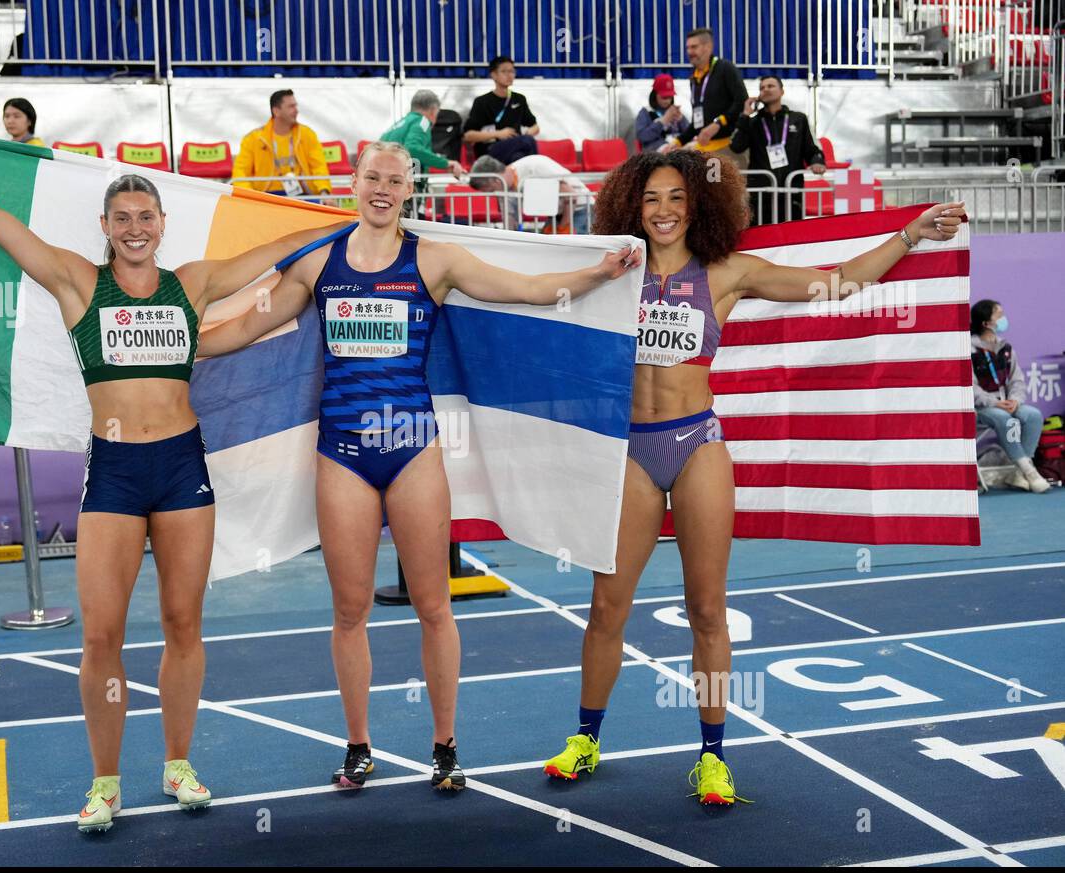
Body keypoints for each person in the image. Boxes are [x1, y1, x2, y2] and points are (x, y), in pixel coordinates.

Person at [0, 113, 339, 832]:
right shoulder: (77, 283)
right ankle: (105, 782)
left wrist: (350, 216)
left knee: (183, 624)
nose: (135, 227)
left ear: (163, 223)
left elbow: (279, 246)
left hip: (181, 470)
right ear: (106, 226)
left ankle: (178, 764)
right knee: (101, 637)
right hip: (112, 473)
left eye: (146, 216)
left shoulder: (193, 284)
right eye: (122, 218)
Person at [539, 149, 965, 805]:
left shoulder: (727, 272)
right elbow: (528, 293)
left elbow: (837, 282)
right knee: (605, 607)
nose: (664, 210)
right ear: (631, 205)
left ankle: (712, 756)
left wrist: (910, 235)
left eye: (677, 197)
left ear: (698, 204)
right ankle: (586, 739)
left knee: (707, 610)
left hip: (696, 443)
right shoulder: (613, 271)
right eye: (651, 198)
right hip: (629, 449)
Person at [214, 140, 637, 791]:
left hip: (413, 449)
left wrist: (598, 275)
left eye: (395, 179)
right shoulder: (318, 264)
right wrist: (176, 342)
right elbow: (245, 327)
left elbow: (523, 291)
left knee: (434, 606)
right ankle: (358, 744)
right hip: (344, 456)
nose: (383, 188)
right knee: (349, 610)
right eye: (372, 177)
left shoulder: (433, 259)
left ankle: (445, 745)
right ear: (353, 183)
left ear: (409, 190)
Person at [971, 299, 1050, 493]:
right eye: (999, 315)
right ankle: (1028, 471)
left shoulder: (1006, 348)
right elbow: (970, 387)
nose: (1003, 318)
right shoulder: (970, 350)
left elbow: (1017, 380)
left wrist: (1016, 400)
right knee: (1005, 420)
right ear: (986, 323)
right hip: (983, 406)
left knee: (1032, 415)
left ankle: (1018, 471)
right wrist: (995, 403)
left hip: (1008, 401)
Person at [729, 76, 827, 224]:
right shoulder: (753, 122)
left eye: (770, 86)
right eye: (762, 88)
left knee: (793, 238)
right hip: (762, 193)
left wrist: (817, 161)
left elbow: (811, 149)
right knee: (763, 240)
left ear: (782, 91)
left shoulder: (798, 119)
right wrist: (745, 115)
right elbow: (736, 146)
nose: (766, 90)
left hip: (790, 192)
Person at [232, 90, 332, 197]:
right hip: (265, 197)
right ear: (276, 111)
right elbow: (240, 173)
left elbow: (319, 167)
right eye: (291, 107)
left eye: (296, 106)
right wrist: (251, 197)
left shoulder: (307, 134)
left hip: (302, 196)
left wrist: (324, 192)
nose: (296, 110)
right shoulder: (253, 138)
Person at [468, 153, 593, 234]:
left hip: (582, 209)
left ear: (495, 179)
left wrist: (564, 227)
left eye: (491, 190)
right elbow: (510, 219)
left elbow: (570, 195)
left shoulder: (534, 167)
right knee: (546, 247)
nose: (493, 194)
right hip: (557, 214)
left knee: (566, 251)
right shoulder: (504, 187)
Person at [463, 56, 540, 162]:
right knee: (527, 143)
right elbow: (468, 136)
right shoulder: (482, 101)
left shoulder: (519, 99)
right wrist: (498, 134)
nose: (509, 75)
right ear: (493, 75)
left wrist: (528, 132)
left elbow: (535, 127)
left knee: (518, 158)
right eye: (504, 71)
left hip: (516, 146)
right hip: (491, 149)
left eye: (512, 71)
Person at [681, 29, 747, 152]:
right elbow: (697, 120)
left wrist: (719, 123)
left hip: (729, 146)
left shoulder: (725, 68)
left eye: (694, 47)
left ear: (708, 47)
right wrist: (678, 141)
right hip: (705, 148)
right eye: (687, 48)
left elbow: (742, 101)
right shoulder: (694, 78)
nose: (689, 52)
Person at [379, 90, 465, 176]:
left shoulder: (399, 124)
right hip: (399, 179)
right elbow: (412, 148)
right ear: (432, 111)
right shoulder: (422, 121)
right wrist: (445, 163)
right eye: (437, 114)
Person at [635, 74, 691, 154]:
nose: (667, 101)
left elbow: (689, 134)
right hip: (655, 154)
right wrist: (662, 121)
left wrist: (681, 120)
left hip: (677, 149)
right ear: (654, 95)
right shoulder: (645, 112)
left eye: (670, 97)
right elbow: (642, 137)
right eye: (664, 97)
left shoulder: (674, 111)